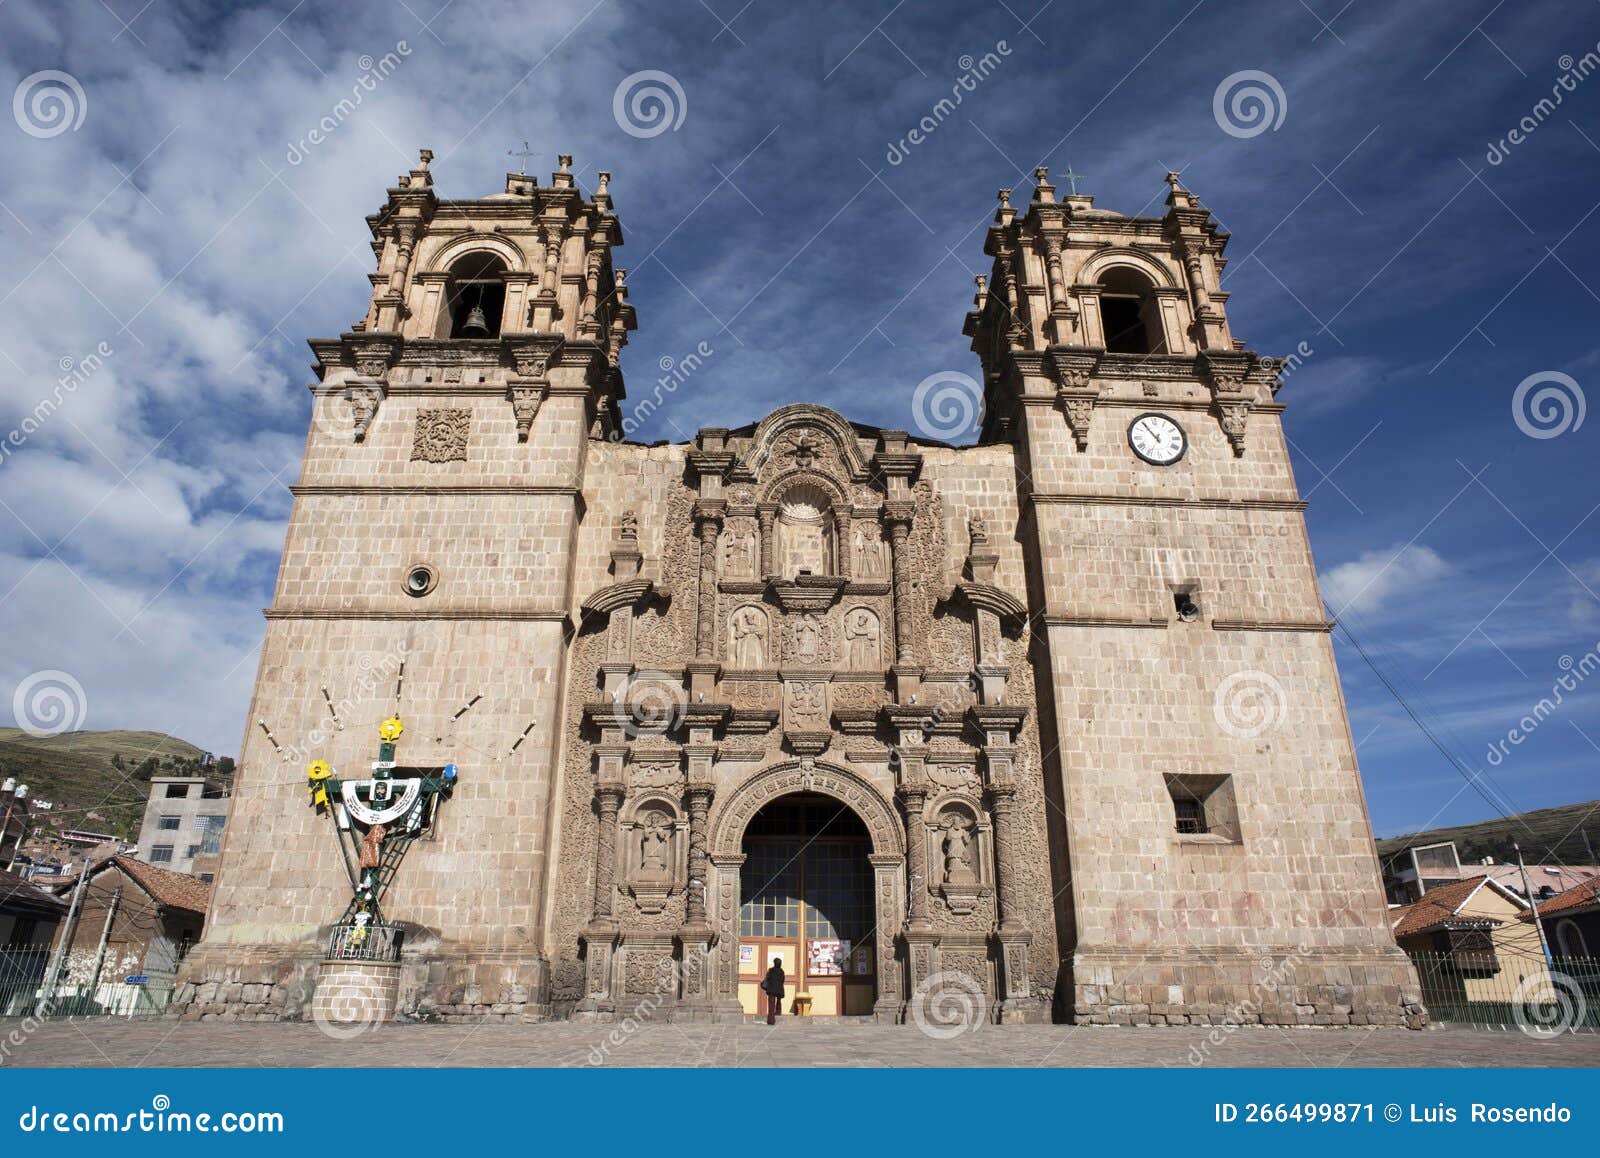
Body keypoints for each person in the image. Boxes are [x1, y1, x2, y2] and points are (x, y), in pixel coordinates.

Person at [761, 958, 786, 1025]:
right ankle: (778, 1013)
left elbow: (767, 978)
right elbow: (783, 980)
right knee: (778, 1001)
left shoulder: (771, 970)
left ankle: (771, 1020)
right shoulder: (782, 971)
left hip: (772, 990)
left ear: (774, 963)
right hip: (779, 989)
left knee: (771, 1005)